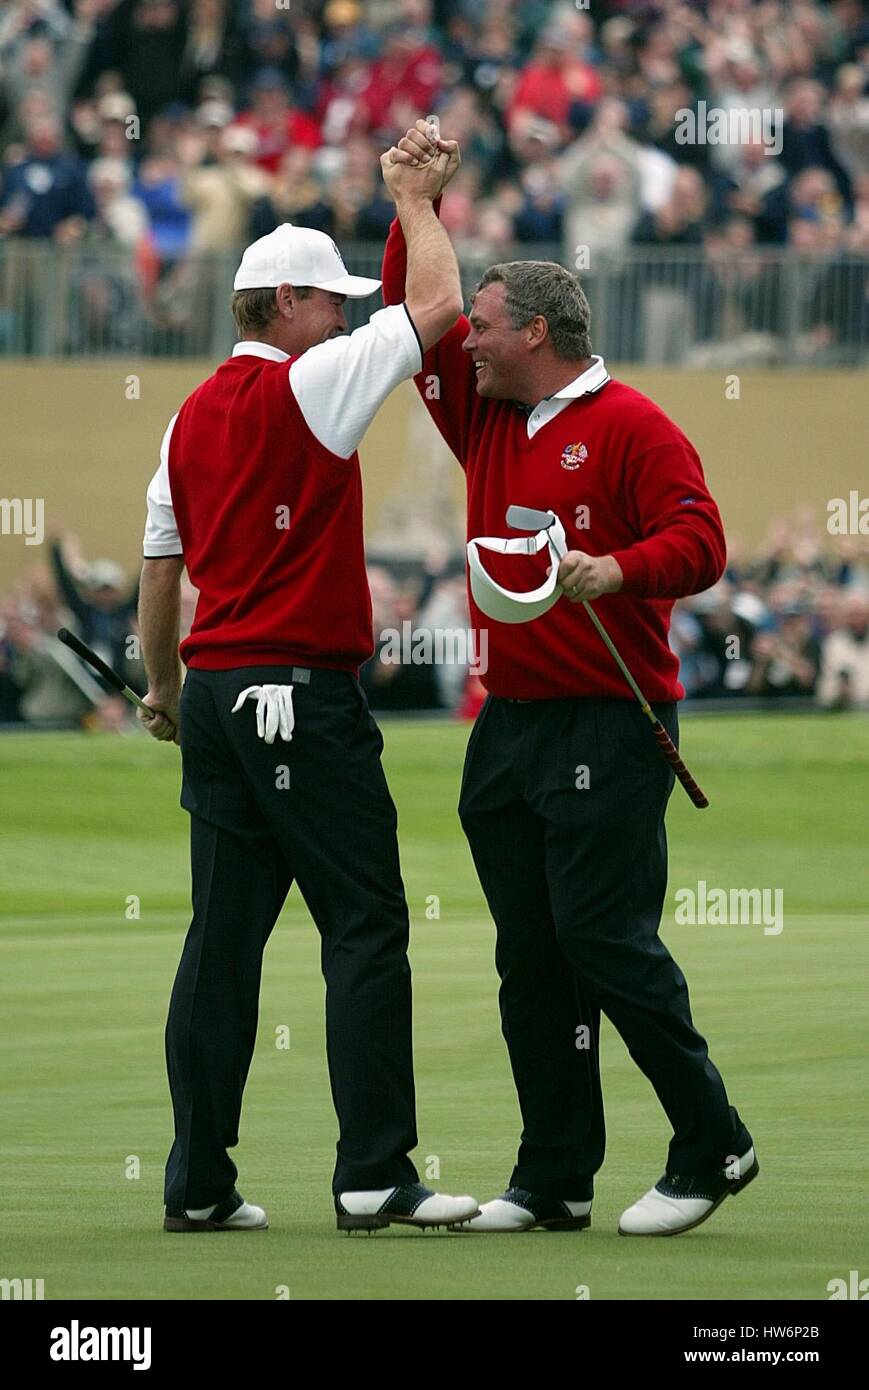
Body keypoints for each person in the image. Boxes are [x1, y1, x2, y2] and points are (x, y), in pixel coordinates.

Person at [381, 119, 757, 1237]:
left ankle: (711, 1138)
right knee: (530, 958)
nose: (469, 346)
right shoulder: (488, 408)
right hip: (511, 722)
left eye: (489, 331)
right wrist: (413, 206)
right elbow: (426, 313)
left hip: (610, 715)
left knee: (603, 939)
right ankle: (553, 1177)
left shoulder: (634, 424)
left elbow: (701, 542)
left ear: (535, 330)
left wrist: (617, 568)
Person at [137, 140, 481, 1234]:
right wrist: (413, 200)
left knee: (220, 943)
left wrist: (157, 687)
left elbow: (161, 570)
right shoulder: (313, 380)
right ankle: (374, 1173)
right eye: (326, 301)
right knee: (367, 923)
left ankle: (197, 1180)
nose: (340, 317)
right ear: (280, 302)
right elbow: (436, 302)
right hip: (296, 690)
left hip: (212, 693)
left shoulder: (186, 415)